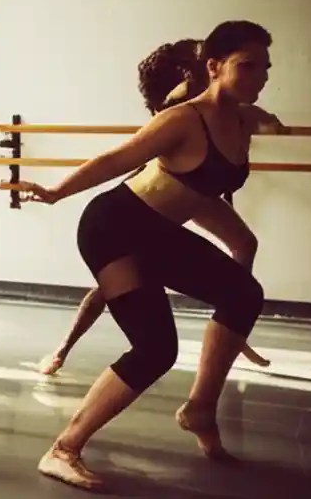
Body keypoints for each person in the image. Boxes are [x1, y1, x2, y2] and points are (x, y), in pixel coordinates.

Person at [8, 20, 275, 491]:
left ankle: (199, 409)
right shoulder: (182, 119)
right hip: (113, 228)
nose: (260, 76)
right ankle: (63, 449)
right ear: (214, 67)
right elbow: (116, 159)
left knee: (243, 293)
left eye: (266, 67)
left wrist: (271, 120)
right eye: (247, 66)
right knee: (155, 348)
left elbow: (263, 122)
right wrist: (53, 193)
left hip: (157, 231)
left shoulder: (243, 117)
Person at [38, 38, 274, 376]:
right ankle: (64, 347)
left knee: (244, 243)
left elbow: (238, 113)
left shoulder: (214, 92)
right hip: (163, 182)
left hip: (199, 186)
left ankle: (233, 326)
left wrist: (256, 117)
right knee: (121, 276)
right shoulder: (180, 98)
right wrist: (56, 192)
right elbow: (122, 156)